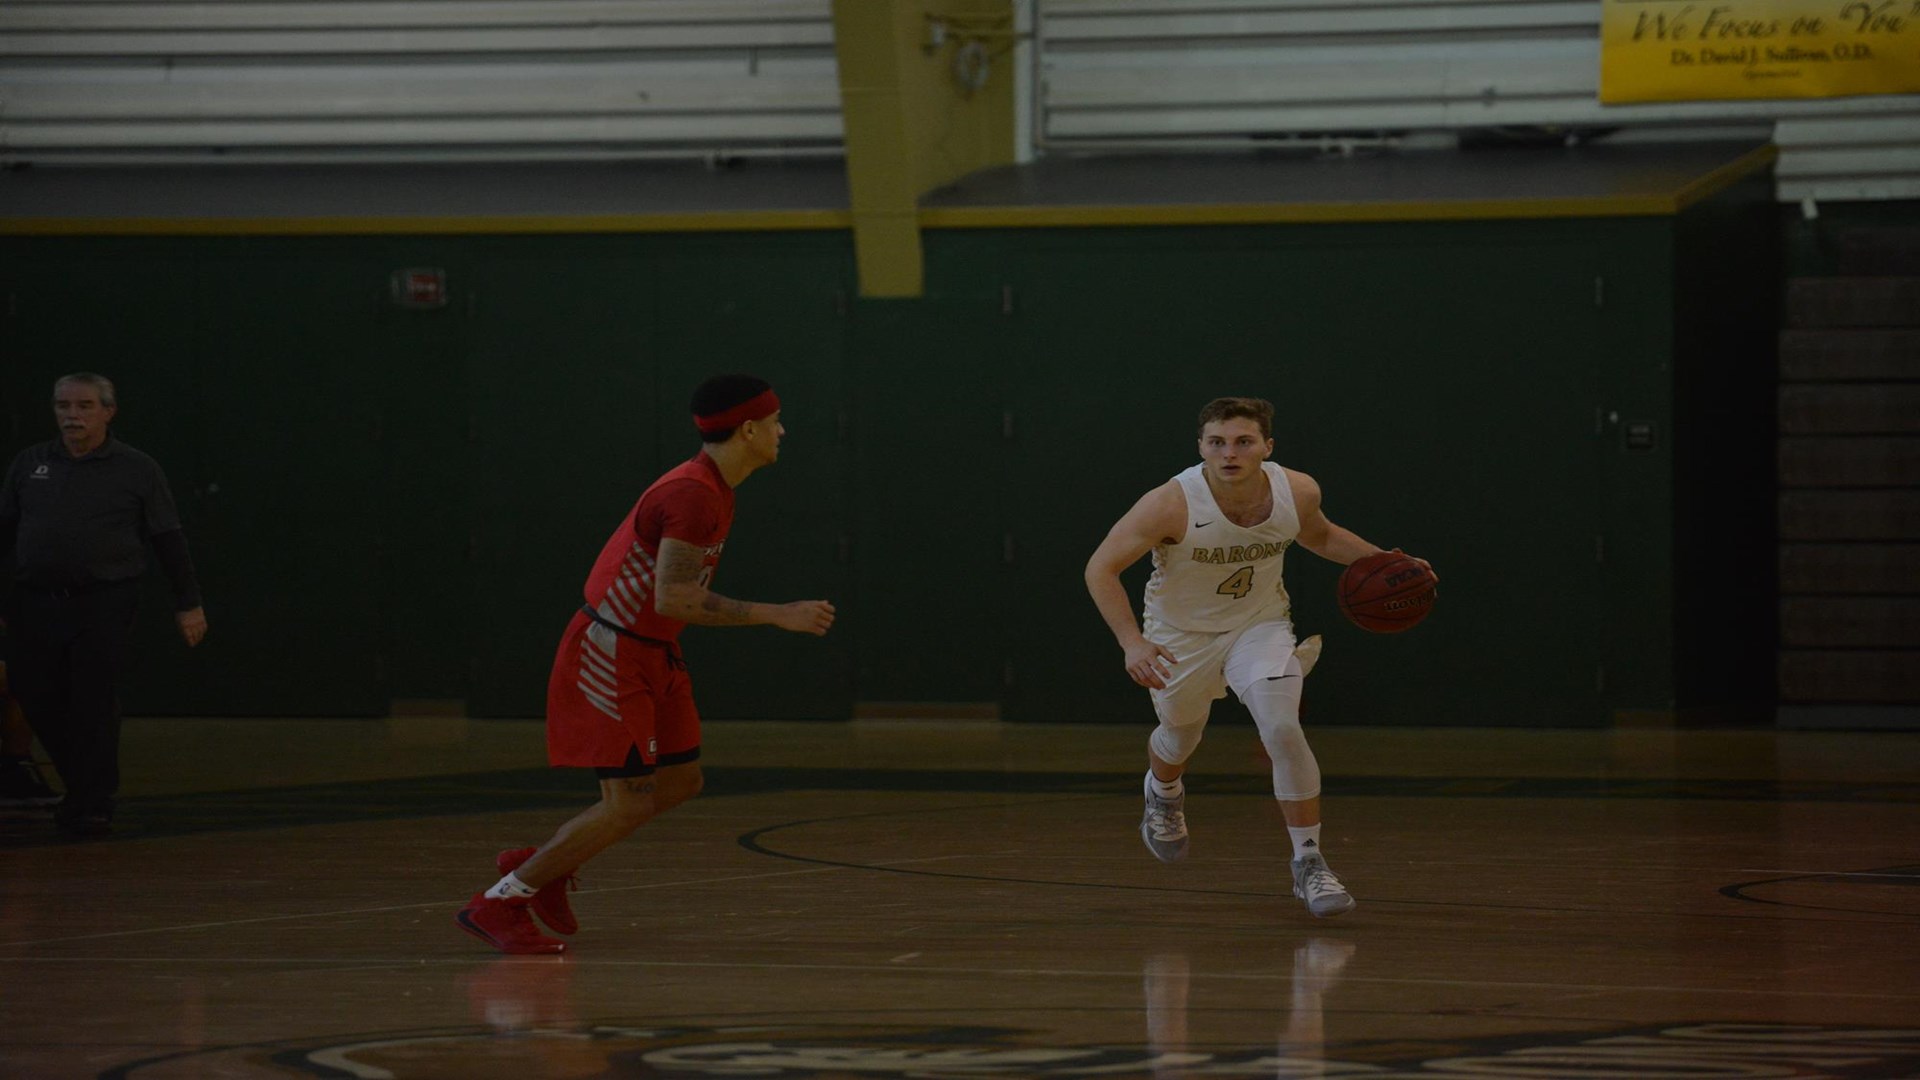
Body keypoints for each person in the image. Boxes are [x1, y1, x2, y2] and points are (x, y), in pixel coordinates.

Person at [457, 374, 836, 955]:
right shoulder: (690, 495)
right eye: (776, 420)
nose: (784, 431)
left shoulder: (716, 488)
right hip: (614, 650)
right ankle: (503, 898)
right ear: (750, 429)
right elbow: (674, 598)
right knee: (629, 800)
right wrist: (776, 613)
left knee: (682, 780)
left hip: (655, 650)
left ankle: (548, 864)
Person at [1084, 396, 1433, 918]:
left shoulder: (1296, 490)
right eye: (1217, 442)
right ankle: (1164, 790)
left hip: (1259, 623)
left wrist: (1392, 563)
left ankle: (1309, 862)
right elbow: (1100, 568)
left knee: (1281, 726)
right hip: (1180, 635)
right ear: (1200, 447)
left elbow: (1320, 535)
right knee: (1180, 734)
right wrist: (1133, 643)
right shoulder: (1169, 503)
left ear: (1266, 447)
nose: (1229, 452)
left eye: (1243, 441)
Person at [0, 373, 208, 836]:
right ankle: (85, 784)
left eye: (84, 406)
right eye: (63, 406)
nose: (72, 415)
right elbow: (6, 531)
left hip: (103, 600)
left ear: (108, 411)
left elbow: (167, 539)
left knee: (92, 698)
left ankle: (91, 800)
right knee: (33, 691)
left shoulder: (136, 468)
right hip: (35, 599)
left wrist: (188, 602)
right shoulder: (31, 463)